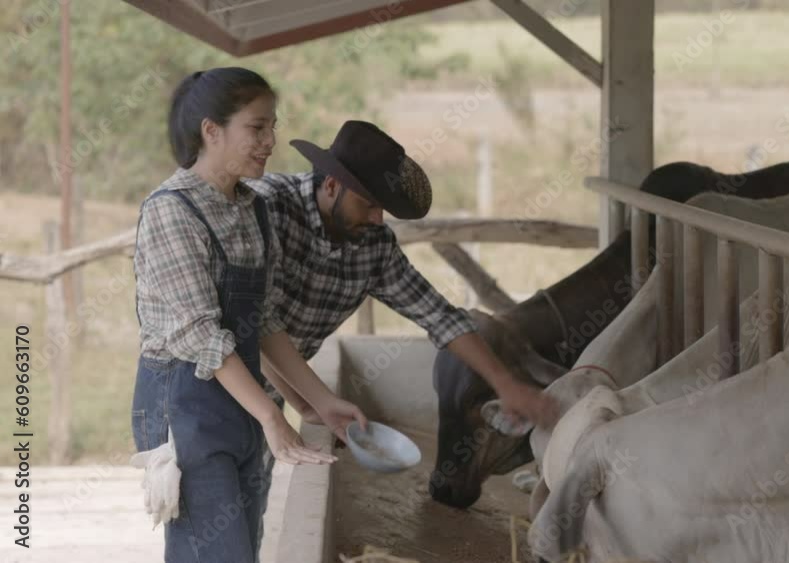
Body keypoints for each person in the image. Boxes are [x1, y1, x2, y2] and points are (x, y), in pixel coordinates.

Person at [129, 67, 367, 562]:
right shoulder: (171, 211)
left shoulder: (252, 208)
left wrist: (321, 402)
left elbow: (266, 320)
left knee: (242, 548)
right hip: (184, 402)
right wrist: (270, 417)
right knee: (216, 553)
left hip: (240, 399)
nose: (270, 141)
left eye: (272, 127)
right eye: (256, 128)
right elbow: (201, 335)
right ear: (211, 131)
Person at [244, 121, 558, 495]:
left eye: (383, 207)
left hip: (271, 388)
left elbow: (439, 316)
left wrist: (505, 384)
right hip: (212, 375)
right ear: (331, 185)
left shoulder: (374, 244)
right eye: (370, 204)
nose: (378, 218)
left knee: (250, 504)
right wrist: (312, 402)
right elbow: (253, 323)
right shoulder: (265, 209)